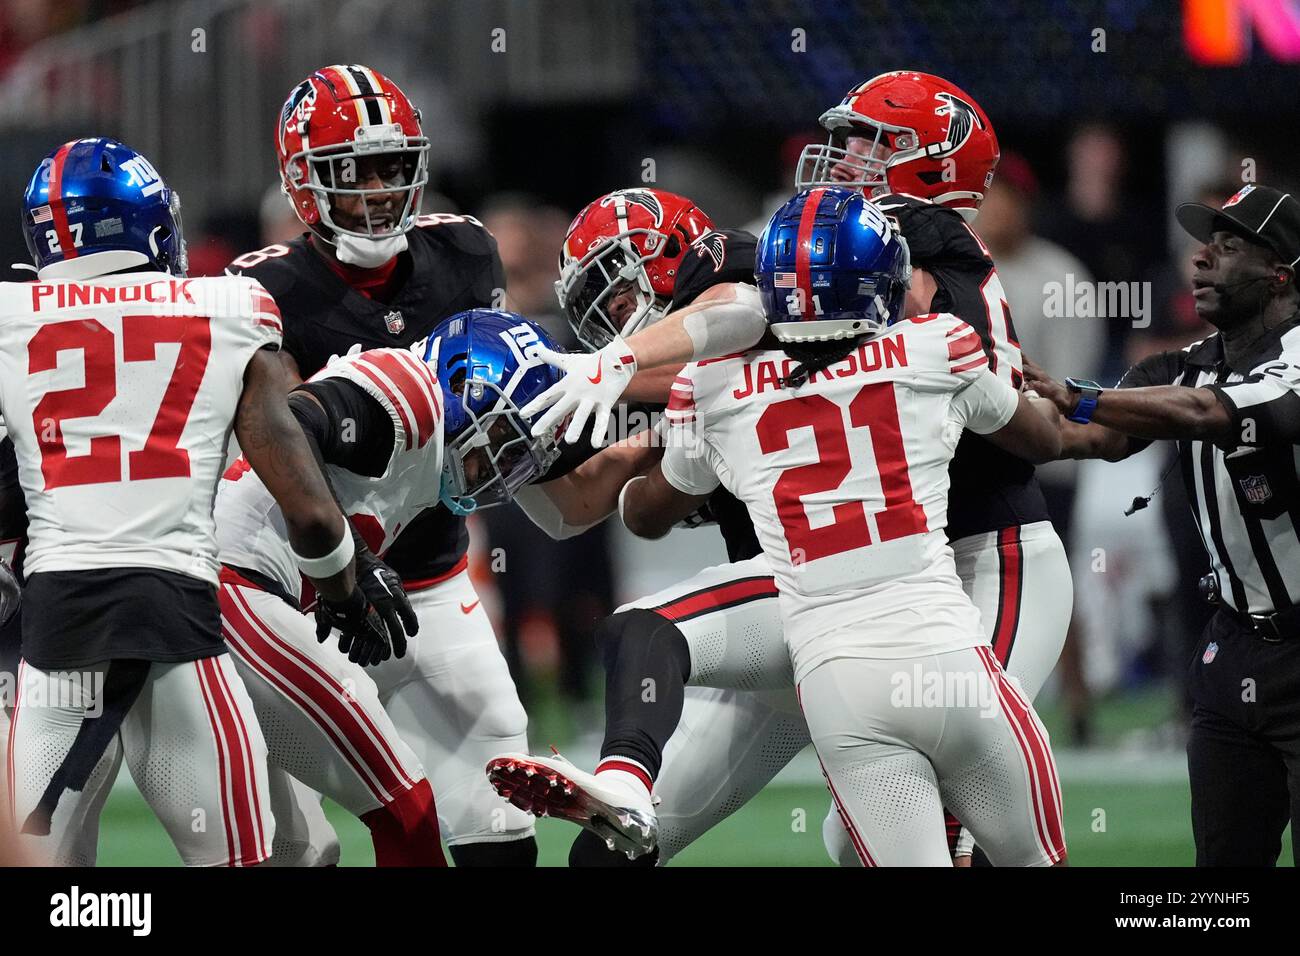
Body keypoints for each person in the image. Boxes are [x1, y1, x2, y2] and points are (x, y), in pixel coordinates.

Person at [493, 72, 1071, 867]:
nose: (844, 157)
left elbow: (737, 315)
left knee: (936, 830)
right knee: (614, 848)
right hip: (814, 608)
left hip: (978, 561)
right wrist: (503, 438)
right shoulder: (716, 380)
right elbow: (584, 506)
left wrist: (615, 365)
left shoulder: (890, 265)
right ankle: (627, 781)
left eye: (624, 300)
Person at [620, 189, 1067, 865]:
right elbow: (1041, 442)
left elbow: (649, 512)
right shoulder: (937, 345)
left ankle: (621, 772)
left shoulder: (709, 387)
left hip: (836, 686)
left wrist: (642, 454)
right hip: (949, 662)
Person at [0, 137, 371, 866]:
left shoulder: (11, 317)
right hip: (180, 627)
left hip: (57, 638)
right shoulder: (227, 306)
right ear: (147, 224)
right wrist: (344, 587)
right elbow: (313, 514)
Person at [226, 64, 538, 867]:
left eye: (393, 165)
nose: (378, 189)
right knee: (297, 847)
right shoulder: (259, 290)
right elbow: (272, 445)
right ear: (302, 182)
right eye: (352, 170)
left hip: (430, 583)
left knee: (499, 818)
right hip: (307, 593)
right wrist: (339, 561)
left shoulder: (465, 253)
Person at [214, 308, 566, 866]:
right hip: (234, 586)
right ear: (463, 384)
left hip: (249, 592)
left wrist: (345, 587)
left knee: (299, 849)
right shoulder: (406, 392)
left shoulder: (431, 449)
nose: (500, 464)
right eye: (502, 435)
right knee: (404, 807)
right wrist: (351, 556)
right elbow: (287, 422)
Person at [1025, 183, 1300, 867]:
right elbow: (1080, 438)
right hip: (1233, 647)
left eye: (1229, 247)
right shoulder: (1185, 365)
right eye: (1204, 243)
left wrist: (1082, 396)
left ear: (1280, 275)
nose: (1201, 259)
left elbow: (1207, 413)